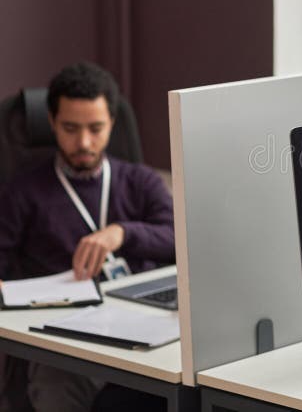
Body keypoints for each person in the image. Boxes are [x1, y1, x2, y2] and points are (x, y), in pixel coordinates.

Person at [0, 62, 175, 412]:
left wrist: (122, 232)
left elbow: (178, 238)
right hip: (64, 335)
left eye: (96, 128)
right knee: (58, 383)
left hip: (140, 326)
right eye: (70, 128)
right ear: (51, 123)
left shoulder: (140, 182)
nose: (83, 142)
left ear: (112, 122)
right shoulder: (23, 192)